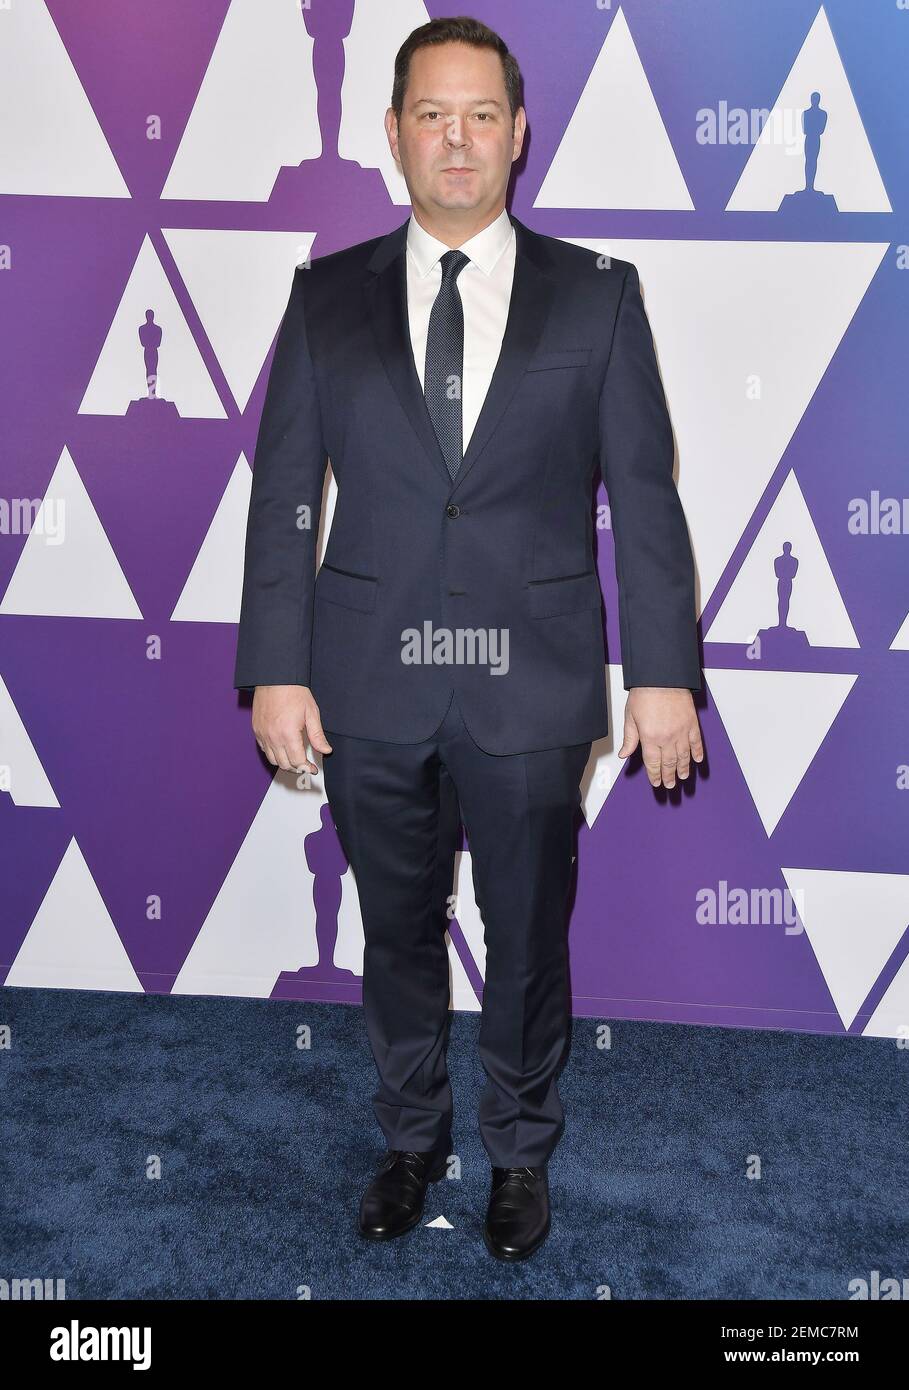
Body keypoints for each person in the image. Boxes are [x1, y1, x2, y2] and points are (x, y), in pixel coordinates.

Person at [234, 15, 704, 1262]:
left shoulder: (600, 295)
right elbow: (285, 493)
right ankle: (409, 1140)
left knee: (527, 937)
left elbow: (644, 497)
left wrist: (661, 674)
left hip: (533, 686)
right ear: (392, 135)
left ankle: (519, 1152)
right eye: (432, 115)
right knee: (394, 934)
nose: (457, 138)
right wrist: (274, 664)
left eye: (481, 115)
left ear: (519, 134)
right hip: (369, 679)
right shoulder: (324, 295)